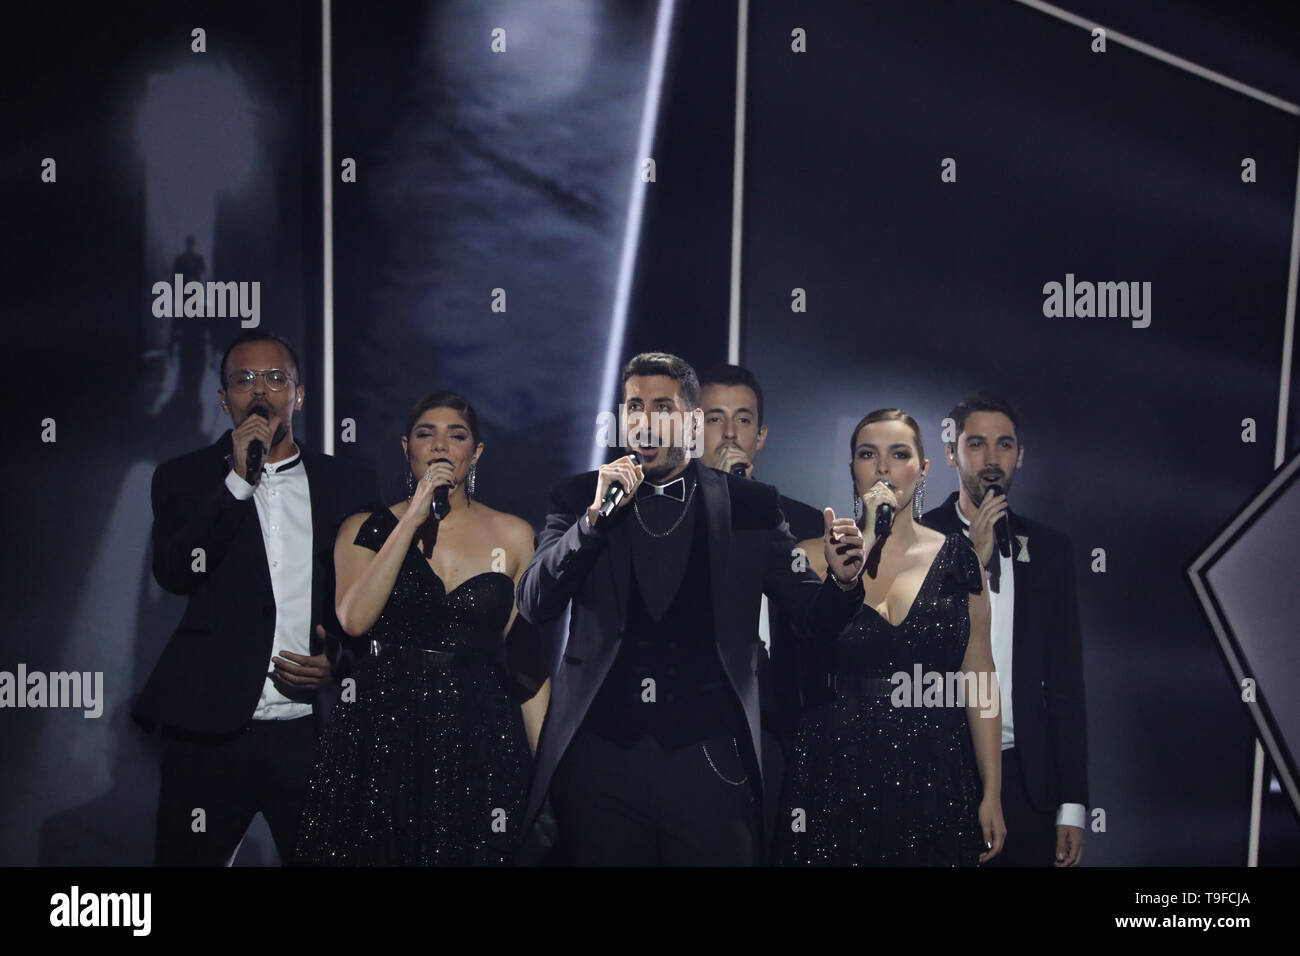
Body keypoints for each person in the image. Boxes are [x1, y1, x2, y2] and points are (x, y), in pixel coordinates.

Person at [516, 352, 866, 866]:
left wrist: (842, 581)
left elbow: (813, 620)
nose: (646, 419)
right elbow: (534, 602)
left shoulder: (750, 505)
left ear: (694, 423)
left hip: (710, 761)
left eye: (663, 407)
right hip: (600, 762)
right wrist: (590, 525)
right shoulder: (579, 498)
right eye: (635, 406)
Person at [135, 330, 380, 866]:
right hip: (209, 730)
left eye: (275, 378)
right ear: (224, 399)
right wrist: (238, 482)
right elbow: (175, 572)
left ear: (299, 395)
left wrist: (339, 663)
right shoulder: (183, 478)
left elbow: (380, 601)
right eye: (244, 380)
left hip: (312, 732)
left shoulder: (350, 485)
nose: (261, 391)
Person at [295, 391, 544, 865]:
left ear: (476, 452)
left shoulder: (513, 534)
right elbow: (354, 619)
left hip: (479, 735)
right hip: (382, 732)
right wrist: (411, 518)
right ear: (406, 447)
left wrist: (547, 767)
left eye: (457, 435)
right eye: (426, 434)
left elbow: (527, 663)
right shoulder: (363, 528)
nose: (441, 446)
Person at [780, 408, 1005, 865]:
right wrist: (852, 557)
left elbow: (980, 678)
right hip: (832, 765)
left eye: (899, 454)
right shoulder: (810, 557)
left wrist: (992, 793)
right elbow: (797, 652)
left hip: (934, 769)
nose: (883, 467)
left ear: (923, 469)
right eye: (868, 454)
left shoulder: (958, 560)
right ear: (852, 469)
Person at [921, 391, 1087, 866]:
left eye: (1005, 445)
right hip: (936, 768)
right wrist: (969, 561)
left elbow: (1066, 683)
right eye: (976, 444)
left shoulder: (1051, 551)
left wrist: (1073, 804)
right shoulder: (917, 539)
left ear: (1021, 456)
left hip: (1027, 778)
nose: (992, 459)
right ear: (951, 453)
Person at [697, 363, 824, 861]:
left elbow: (820, 623)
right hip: (692, 724)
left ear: (761, 436)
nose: (730, 433)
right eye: (715, 418)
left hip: (777, 723)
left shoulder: (804, 521)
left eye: (743, 420)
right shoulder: (666, 517)